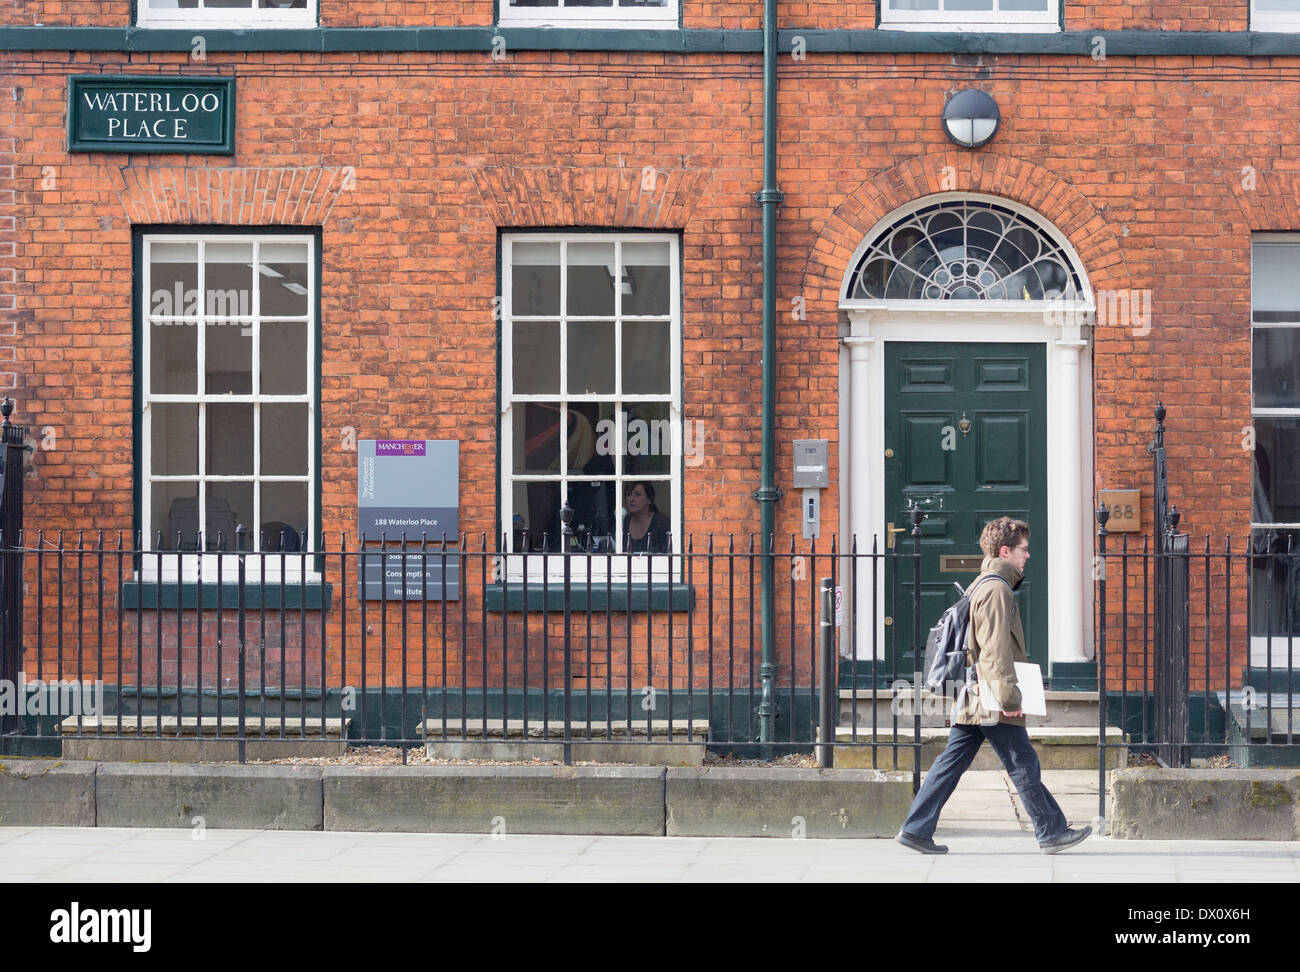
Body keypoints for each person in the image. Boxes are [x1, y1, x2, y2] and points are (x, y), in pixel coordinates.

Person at [896, 516, 1092, 855]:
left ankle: (915, 829)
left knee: (953, 763)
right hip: (989, 696)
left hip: (976, 696)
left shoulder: (983, 584)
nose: (1027, 556)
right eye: (1023, 550)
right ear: (1006, 551)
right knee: (1022, 762)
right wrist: (1008, 697)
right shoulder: (997, 590)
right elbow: (994, 650)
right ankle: (1051, 832)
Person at [622, 481, 670, 553]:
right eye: (629, 494)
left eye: (637, 495)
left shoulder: (662, 522)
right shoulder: (623, 522)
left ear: (649, 500)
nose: (631, 499)